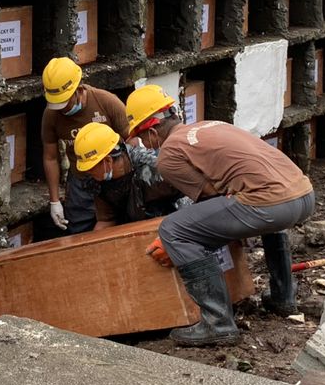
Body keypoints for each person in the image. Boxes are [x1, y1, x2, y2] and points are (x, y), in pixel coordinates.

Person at [127, 86, 314, 345]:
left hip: (272, 206)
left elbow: (210, 196)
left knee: (173, 230)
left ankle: (217, 323)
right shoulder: (211, 126)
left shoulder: (168, 154)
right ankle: (283, 298)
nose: (144, 146)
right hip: (303, 194)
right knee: (257, 200)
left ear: (151, 131)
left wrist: (179, 246)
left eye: (141, 138)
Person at [39, 57, 129, 234]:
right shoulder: (51, 115)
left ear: (78, 90)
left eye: (65, 102)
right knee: (79, 233)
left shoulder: (106, 102)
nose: (62, 109)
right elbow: (50, 157)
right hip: (81, 182)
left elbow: (132, 141)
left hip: (112, 179)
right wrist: (55, 201)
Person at [70, 122, 170, 227]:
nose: (88, 172)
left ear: (108, 161)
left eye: (90, 168)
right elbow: (106, 220)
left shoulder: (151, 168)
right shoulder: (100, 182)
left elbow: (183, 201)